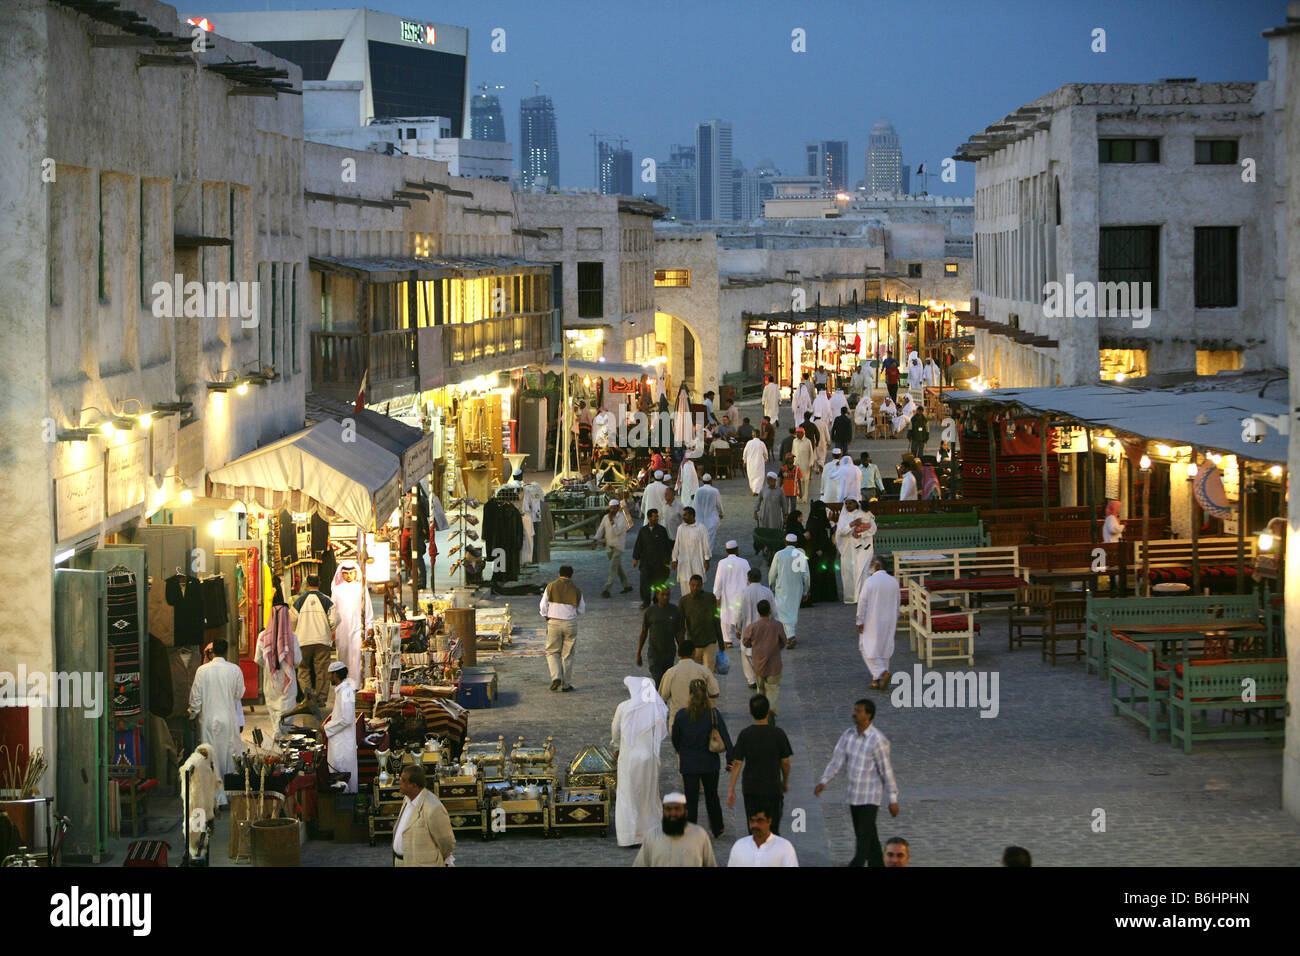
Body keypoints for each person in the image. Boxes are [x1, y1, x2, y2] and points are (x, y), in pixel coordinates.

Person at [814, 698, 899, 868]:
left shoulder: (877, 740)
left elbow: (886, 770)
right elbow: (836, 760)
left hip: (870, 798)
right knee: (871, 842)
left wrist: (893, 798)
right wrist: (824, 781)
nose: (854, 713)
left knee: (861, 846)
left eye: (859, 711)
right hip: (854, 797)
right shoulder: (848, 735)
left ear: (868, 715)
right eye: (855, 710)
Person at [670, 678, 734, 838]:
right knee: (712, 796)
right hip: (710, 763)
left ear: (690, 694)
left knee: (691, 799)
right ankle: (717, 827)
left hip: (689, 763)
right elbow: (726, 739)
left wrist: (682, 752)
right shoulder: (713, 714)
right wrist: (730, 761)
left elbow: (675, 739)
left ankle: (690, 829)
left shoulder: (681, 715)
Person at [611, 676, 669, 848]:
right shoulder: (655, 709)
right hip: (650, 759)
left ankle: (630, 835)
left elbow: (615, 731)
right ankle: (649, 833)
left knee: (628, 794)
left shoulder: (624, 707)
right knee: (648, 795)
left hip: (629, 758)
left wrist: (616, 746)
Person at [187, 637, 244, 802]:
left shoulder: (202, 671)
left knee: (211, 756)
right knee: (228, 754)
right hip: (228, 718)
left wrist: (192, 715)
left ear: (211, 653)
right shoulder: (234, 670)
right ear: (226, 651)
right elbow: (239, 694)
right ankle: (228, 793)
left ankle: (215, 796)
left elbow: (196, 698)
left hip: (209, 720)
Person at [727, 694, 792, 834]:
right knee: (773, 828)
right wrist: (785, 781)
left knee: (754, 827)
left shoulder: (745, 734)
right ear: (768, 712)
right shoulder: (778, 734)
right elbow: (786, 763)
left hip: (751, 788)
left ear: (750, 713)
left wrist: (731, 789)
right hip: (772, 788)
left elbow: (737, 763)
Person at [392, 764, 456, 867]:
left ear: (414, 785)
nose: (399, 783)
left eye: (403, 781)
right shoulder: (407, 799)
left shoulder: (433, 808)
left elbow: (446, 842)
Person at [292, 573, 339, 709]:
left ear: (306, 584)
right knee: (322, 671)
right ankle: (321, 700)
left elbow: (291, 620)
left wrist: (296, 632)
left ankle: (308, 698)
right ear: (319, 583)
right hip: (322, 641)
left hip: (303, 641)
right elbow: (335, 620)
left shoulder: (299, 601)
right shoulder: (326, 600)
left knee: (303, 669)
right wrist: (329, 629)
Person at [632, 793, 716, 867]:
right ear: (663, 812)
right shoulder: (652, 836)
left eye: (677, 809)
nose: (673, 813)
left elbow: (710, 864)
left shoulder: (699, 835)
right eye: (668, 809)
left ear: (685, 812)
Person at [256, 601, 301, 732]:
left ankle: (277, 739)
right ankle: (281, 742)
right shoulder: (292, 638)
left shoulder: (262, 636)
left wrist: (270, 663)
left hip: (271, 682)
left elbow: (258, 659)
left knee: (274, 715)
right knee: (286, 716)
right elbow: (297, 661)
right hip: (288, 684)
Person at [856, 555, 900, 689]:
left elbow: (862, 603)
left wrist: (859, 620)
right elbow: (898, 603)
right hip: (890, 619)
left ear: (877, 565)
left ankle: (882, 672)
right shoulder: (894, 581)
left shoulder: (870, 581)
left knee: (866, 647)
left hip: (872, 620)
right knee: (884, 648)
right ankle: (876, 680)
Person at [539, 565, 585, 692]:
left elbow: (543, 606)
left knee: (552, 651)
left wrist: (546, 617)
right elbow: (582, 609)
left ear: (559, 574)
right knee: (568, 654)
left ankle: (556, 677)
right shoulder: (576, 590)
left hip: (553, 622)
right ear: (571, 575)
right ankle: (566, 684)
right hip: (570, 623)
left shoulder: (551, 586)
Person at [741, 600, 787, 720]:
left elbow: (745, 641)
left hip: (758, 664)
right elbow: (783, 641)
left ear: (758, 611)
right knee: (772, 689)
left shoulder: (753, 626)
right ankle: (770, 712)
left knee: (760, 690)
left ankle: (761, 713)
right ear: (769, 611)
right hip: (774, 664)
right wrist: (776, 648)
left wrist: (753, 645)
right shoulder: (777, 625)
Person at [331, 560, 373, 689]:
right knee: (343, 655)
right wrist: (332, 630)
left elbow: (368, 608)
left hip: (357, 628)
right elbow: (333, 611)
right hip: (341, 630)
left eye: (351, 573)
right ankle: (344, 684)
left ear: (355, 573)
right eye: (346, 573)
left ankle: (356, 685)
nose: (349, 576)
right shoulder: (337, 590)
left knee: (356, 656)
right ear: (341, 574)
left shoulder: (361, 588)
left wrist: (369, 625)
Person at [768, 533, 810, 649]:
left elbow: (772, 573)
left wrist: (771, 586)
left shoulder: (779, 554)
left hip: (782, 587)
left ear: (785, 543)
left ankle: (790, 635)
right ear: (796, 544)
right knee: (792, 610)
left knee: (782, 610)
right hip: (797, 588)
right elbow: (805, 575)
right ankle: (789, 635)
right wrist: (806, 590)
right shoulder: (800, 554)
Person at [659, 640, 719, 718]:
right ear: (694, 653)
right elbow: (715, 693)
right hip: (699, 718)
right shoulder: (704, 671)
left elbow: (663, 696)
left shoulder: (670, 672)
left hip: (677, 719)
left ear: (678, 654)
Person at [737, 568, 776, 688]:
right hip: (765, 628)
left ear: (748, 579)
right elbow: (774, 611)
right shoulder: (767, 592)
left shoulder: (744, 593)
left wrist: (738, 629)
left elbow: (739, 613)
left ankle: (751, 680)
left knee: (746, 654)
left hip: (748, 628)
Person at [322, 661, 357, 793]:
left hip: (343, 744)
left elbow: (346, 719)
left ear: (335, 674)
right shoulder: (342, 691)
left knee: (342, 776)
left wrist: (326, 727)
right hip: (338, 741)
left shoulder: (346, 692)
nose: (329, 677)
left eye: (330, 675)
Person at [637, 585, 682, 688]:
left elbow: (678, 632)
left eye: (668, 595)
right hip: (654, 653)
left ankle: (663, 701)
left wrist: (681, 648)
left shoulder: (674, 611)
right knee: (657, 679)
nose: (665, 597)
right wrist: (638, 652)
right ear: (657, 595)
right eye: (663, 594)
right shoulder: (650, 612)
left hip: (669, 652)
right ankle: (658, 701)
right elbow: (644, 632)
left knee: (666, 680)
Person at [678, 574, 724, 672]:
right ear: (689, 585)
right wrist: (681, 645)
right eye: (693, 585)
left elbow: (716, 619)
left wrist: (721, 642)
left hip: (709, 641)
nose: (695, 588)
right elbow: (681, 625)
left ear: (702, 586)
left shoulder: (710, 598)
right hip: (693, 644)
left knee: (708, 673)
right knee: (695, 673)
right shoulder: (684, 601)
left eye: (698, 585)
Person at [727, 807, 799, 867]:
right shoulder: (739, 846)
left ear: (769, 821)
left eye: (759, 821)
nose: (755, 825)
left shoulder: (785, 847)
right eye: (752, 821)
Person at [713, 541, 750, 652]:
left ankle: (728, 640)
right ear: (737, 549)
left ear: (726, 551)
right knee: (742, 615)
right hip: (742, 594)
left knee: (726, 616)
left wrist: (717, 595)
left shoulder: (722, 563)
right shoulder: (744, 562)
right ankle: (743, 637)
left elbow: (718, 580)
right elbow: (749, 578)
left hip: (727, 595)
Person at [593, 499, 634, 599]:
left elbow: (618, 532)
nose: (612, 510)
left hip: (618, 547)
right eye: (611, 508)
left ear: (618, 508)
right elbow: (600, 530)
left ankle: (607, 589)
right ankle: (627, 585)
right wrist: (595, 540)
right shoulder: (605, 517)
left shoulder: (622, 519)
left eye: (614, 507)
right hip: (609, 547)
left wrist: (612, 522)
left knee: (613, 568)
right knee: (618, 567)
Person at [835, 499, 874, 604]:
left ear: (856, 503)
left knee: (863, 572)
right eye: (846, 504)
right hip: (848, 550)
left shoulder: (864, 514)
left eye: (850, 503)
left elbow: (873, 528)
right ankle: (851, 598)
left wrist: (861, 534)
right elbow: (841, 532)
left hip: (862, 549)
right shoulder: (843, 516)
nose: (848, 505)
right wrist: (852, 524)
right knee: (848, 573)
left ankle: (863, 597)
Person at [632, 507, 672, 608]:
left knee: (658, 582)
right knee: (645, 583)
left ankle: (656, 600)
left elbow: (667, 546)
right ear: (649, 518)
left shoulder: (662, 530)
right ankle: (646, 601)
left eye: (657, 516)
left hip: (659, 563)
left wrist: (668, 561)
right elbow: (638, 545)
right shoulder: (643, 531)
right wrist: (636, 559)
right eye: (654, 517)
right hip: (646, 562)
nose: (656, 518)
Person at [804, 501, 841, 603]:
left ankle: (827, 595)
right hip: (816, 553)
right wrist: (817, 549)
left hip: (827, 552)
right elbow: (812, 538)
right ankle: (818, 596)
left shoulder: (824, 521)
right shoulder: (812, 522)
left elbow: (827, 534)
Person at [671, 507, 712, 596]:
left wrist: (707, 560)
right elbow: (677, 544)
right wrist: (674, 559)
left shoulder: (701, 528)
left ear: (692, 516)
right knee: (685, 584)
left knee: (697, 583)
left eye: (685, 515)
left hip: (697, 562)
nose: (683, 517)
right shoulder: (680, 528)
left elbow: (706, 545)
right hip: (684, 563)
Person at [691, 475, 723, 550]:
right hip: (712, 518)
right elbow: (719, 504)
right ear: (711, 481)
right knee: (710, 538)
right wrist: (721, 513)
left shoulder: (698, 491)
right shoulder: (715, 491)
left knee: (700, 536)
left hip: (700, 518)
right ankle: (708, 554)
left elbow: (695, 504)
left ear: (703, 481)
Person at [792, 427, 815, 502]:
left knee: (805, 482)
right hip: (796, 465)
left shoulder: (807, 441)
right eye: (797, 433)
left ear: (803, 433)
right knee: (797, 482)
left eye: (799, 433)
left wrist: (811, 464)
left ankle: (804, 498)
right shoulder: (794, 441)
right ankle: (798, 497)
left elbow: (811, 454)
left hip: (805, 465)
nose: (797, 434)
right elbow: (793, 452)